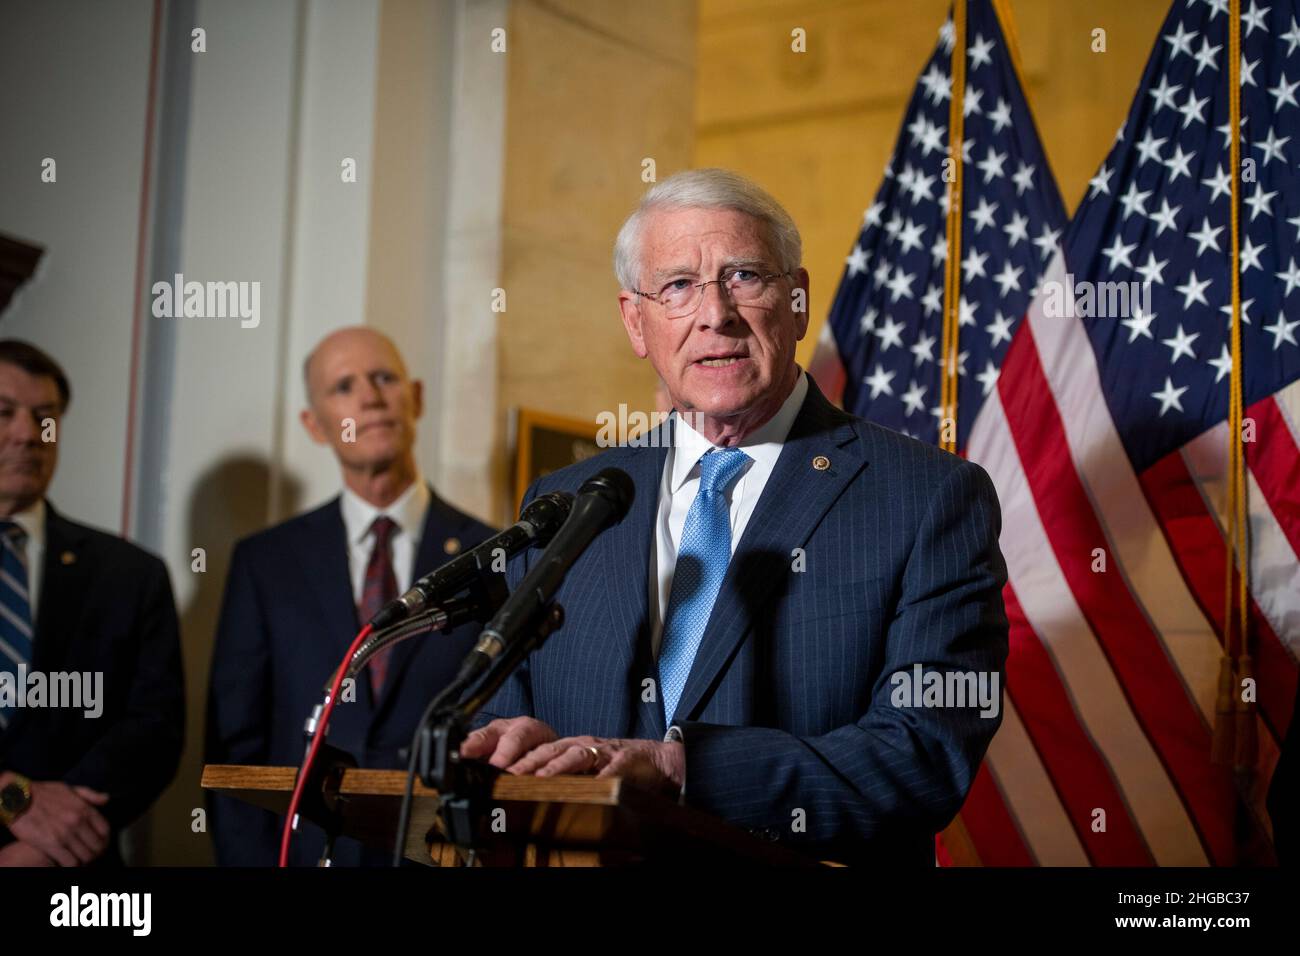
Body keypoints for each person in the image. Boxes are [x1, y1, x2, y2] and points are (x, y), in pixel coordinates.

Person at [462, 169, 1009, 865]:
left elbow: (925, 750)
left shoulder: (927, 497)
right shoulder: (568, 503)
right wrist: (514, 745)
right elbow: (496, 710)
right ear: (636, 321)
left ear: (799, 300)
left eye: (745, 277)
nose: (714, 313)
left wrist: (681, 768)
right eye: (679, 286)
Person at [206, 327, 496, 866]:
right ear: (314, 425)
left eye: (383, 377)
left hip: (440, 854)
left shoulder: (491, 556)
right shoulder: (265, 563)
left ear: (416, 397)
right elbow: (233, 747)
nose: (369, 396)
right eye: (344, 386)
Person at [0, 340, 183, 867]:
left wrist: (43, 842)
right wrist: (16, 803)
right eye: (4, 413)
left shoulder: (130, 574)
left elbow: (154, 728)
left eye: (45, 417)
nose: (28, 434)